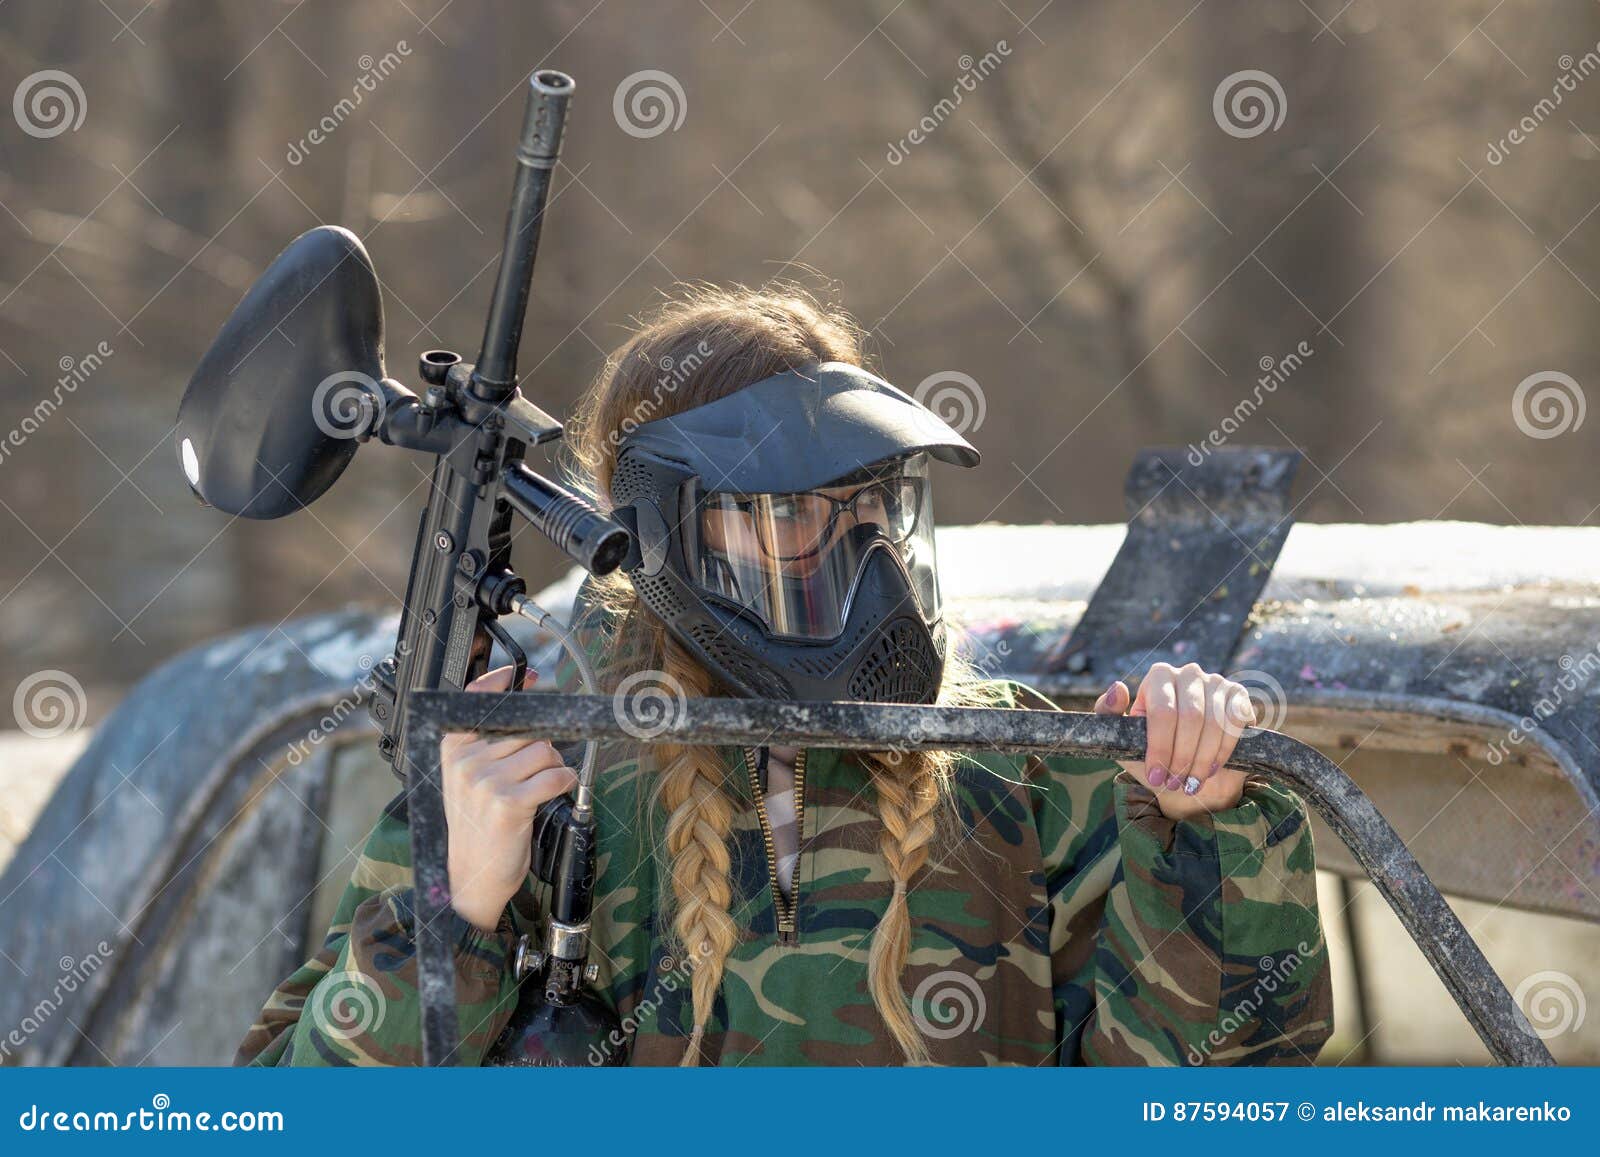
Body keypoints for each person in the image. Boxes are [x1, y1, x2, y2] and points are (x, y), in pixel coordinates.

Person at [238, 285, 1333, 1067]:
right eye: (789, 514)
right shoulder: (532, 777)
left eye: (870, 511)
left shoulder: (1038, 773)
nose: (856, 560)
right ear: (668, 541)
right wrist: (455, 912)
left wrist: (1202, 834)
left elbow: (1210, 1100)